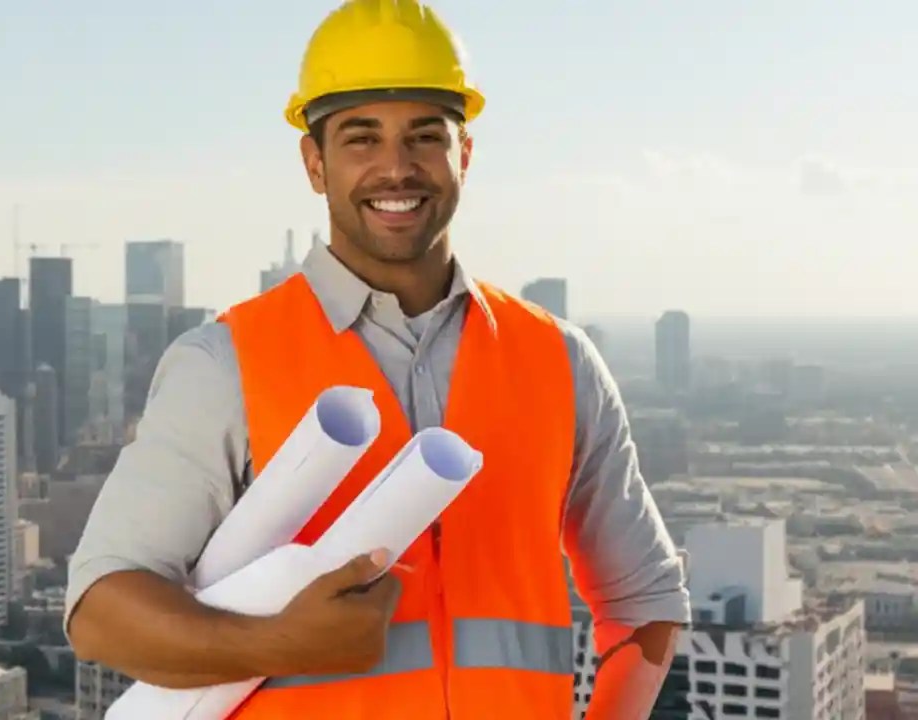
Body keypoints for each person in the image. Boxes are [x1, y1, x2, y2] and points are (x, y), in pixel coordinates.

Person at [65, 0, 691, 717]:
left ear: (465, 154)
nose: (396, 167)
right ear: (314, 163)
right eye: (361, 138)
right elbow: (101, 613)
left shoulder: (558, 360)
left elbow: (644, 600)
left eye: (425, 135)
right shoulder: (225, 363)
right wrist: (277, 644)